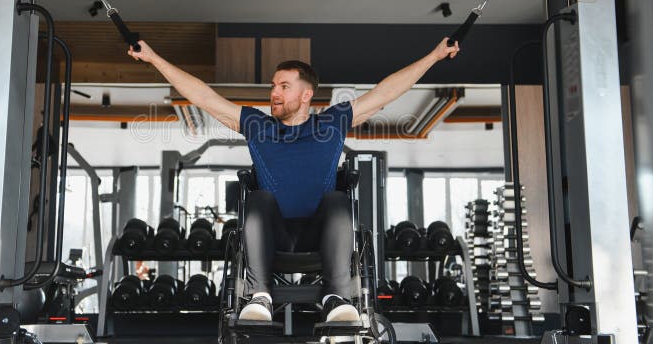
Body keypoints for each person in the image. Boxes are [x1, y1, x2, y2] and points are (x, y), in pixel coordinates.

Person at [128, 37, 459, 323]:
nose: (274, 92)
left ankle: (336, 298)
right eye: (273, 86)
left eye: (283, 86)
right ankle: (260, 296)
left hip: (320, 236)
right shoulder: (258, 125)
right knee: (257, 198)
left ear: (306, 95)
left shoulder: (331, 123)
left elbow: (385, 94)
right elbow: (203, 97)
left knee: (337, 199)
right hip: (274, 236)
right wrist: (155, 58)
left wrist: (433, 56)